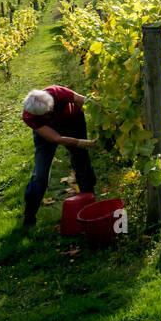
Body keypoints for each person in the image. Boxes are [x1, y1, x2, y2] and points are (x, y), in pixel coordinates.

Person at [21, 85, 99, 226]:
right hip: (47, 133)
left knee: (81, 161)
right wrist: (87, 143)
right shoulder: (29, 117)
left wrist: (105, 115)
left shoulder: (57, 92)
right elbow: (57, 139)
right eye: (44, 116)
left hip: (73, 121)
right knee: (40, 174)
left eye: (49, 112)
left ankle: (89, 203)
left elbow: (86, 102)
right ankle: (29, 214)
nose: (48, 116)